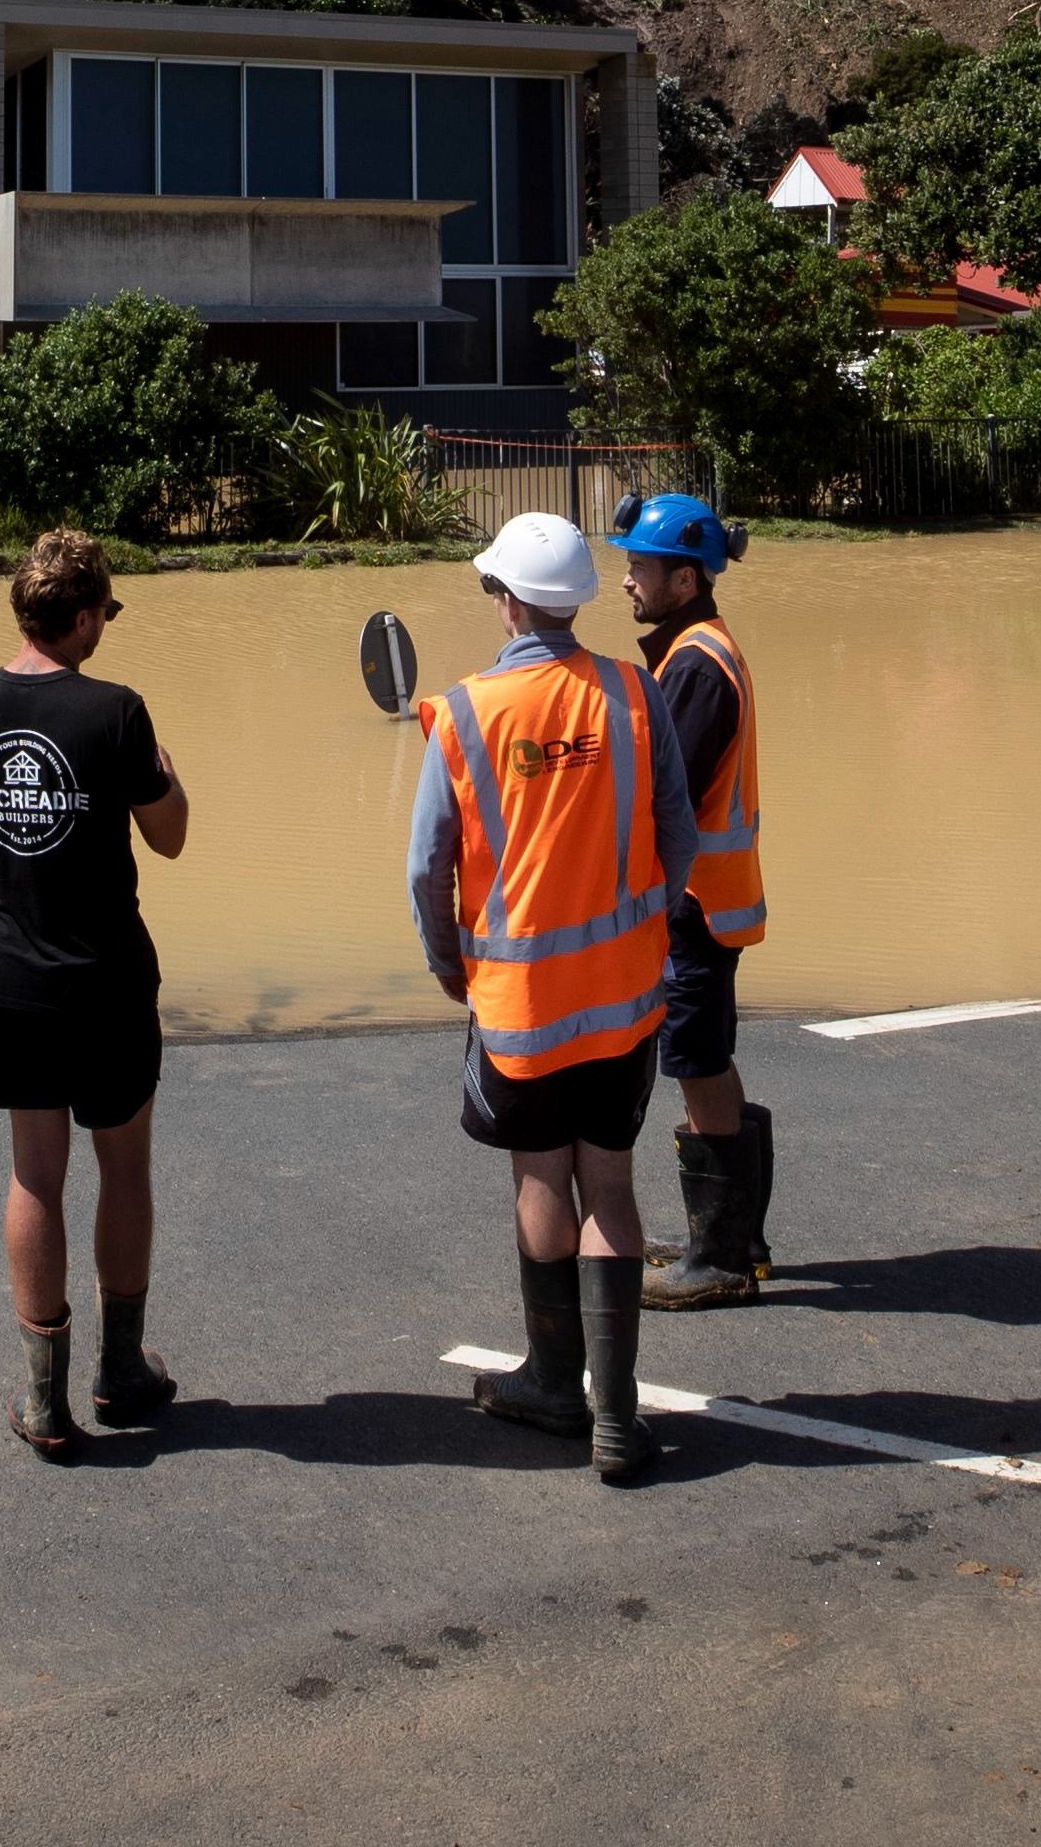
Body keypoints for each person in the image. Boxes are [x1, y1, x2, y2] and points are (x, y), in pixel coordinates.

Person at [410, 509, 701, 1484]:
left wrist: (455, 967)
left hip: (520, 1004)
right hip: (624, 993)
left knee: (543, 1177)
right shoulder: (630, 689)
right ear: (575, 598)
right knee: (609, 1184)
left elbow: (427, 871)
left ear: (505, 599)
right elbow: (678, 823)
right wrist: (651, 922)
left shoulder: (462, 713)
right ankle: (618, 1422)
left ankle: (550, 1382)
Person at [0, 525, 191, 1460]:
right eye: (105, 616)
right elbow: (169, 837)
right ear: (84, 615)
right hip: (107, 981)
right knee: (122, 1165)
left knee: (33, 1174)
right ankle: (121, 1373)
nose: (105, 631)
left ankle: (45, 1402)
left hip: (14, 981)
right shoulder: (118, 712)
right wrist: (163, 763)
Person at [612, 490, 775, 1305]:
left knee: (698, 1059)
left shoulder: (699, 665)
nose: (628, 581)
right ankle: (732, 1234)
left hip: (697, 902)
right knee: (706, 1056)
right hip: (713, 895)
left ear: (684, 580)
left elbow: (665, 793)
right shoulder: (695, 650)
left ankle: (721, 1261)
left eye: (639, 567)